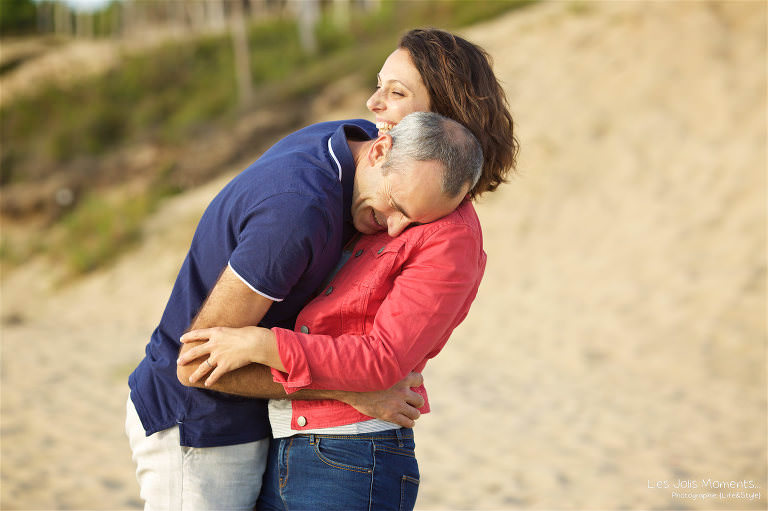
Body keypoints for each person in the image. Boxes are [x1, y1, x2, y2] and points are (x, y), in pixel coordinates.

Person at [176, 28, 519, 510]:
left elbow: (381, 359)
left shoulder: (447, 230)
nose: (374, 103)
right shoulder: (370, 172)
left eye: (397, 93)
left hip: (349, 454)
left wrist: (261, 343)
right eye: (380, 85)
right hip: (301, 441)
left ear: (440, 115)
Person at [126, 110, 480, 510]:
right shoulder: (298, 213)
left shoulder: (352, 141)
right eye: (395, 205)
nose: (395, 229)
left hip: (249, 423)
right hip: (198, 427)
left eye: (412, 220)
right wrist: (351, 392)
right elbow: (196, 364)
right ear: (381, 150)